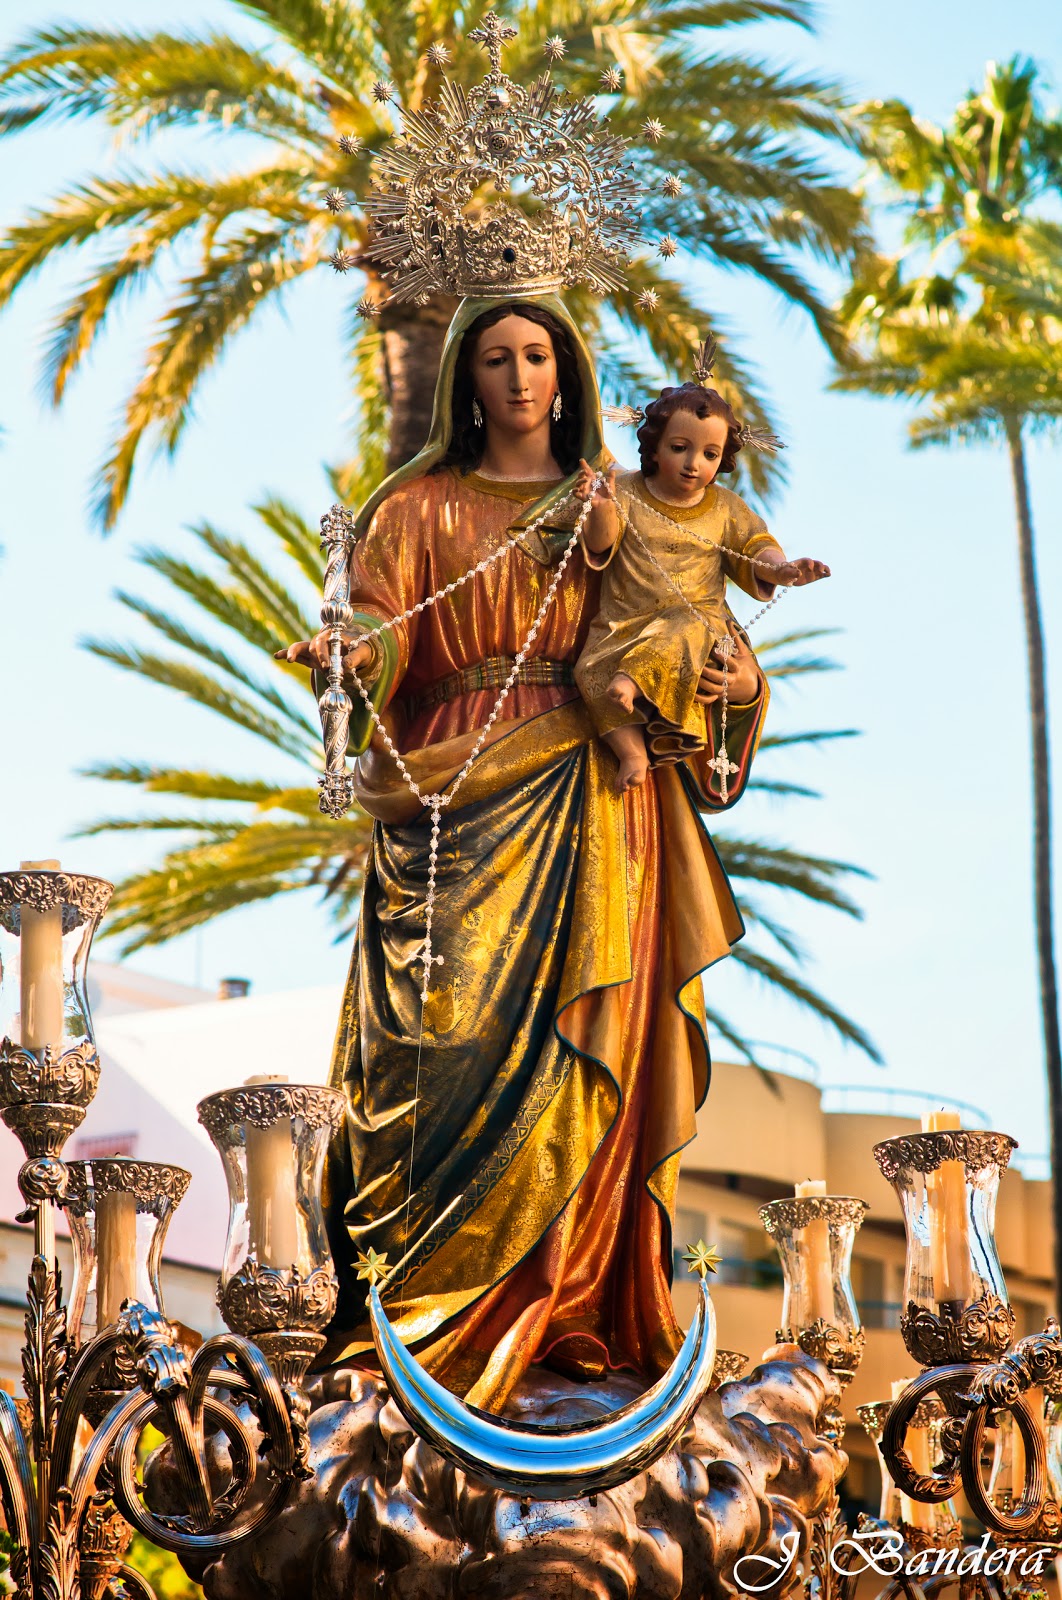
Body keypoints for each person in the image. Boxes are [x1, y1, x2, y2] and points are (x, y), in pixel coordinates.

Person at [279, 296, 770, 1412]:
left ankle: (576, 1312)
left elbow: (687, 617)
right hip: (454, 794)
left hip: (604, 793)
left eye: (537, 355)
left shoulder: (619, 502)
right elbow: (383, 627)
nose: (516, 376)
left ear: (568, 373)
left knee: (590, 1049)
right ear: (463, 375)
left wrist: (739, 691)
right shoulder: (414, 507)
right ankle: (423, 1320)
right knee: (446, 1042)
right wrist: (349, 655)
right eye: (494, 356)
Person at [574, 383, 830, 793]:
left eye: (710, 454)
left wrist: (782, 571)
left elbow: (754, 548)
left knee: (676, 627)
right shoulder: (626, 493)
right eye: (680, 448)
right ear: (654, 446)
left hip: (693, 625)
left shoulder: (726, 508)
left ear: (723, 458)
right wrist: (601, 508)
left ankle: (633, 682)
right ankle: (632, 750)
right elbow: (601, 544)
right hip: (623, 624)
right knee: (589, 673)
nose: (694, 464)